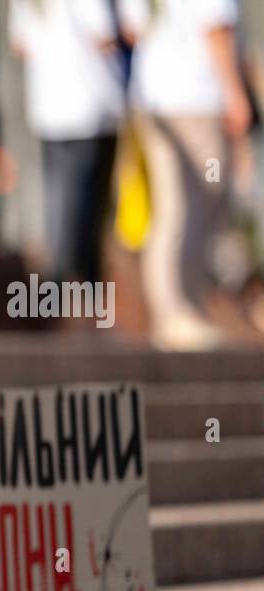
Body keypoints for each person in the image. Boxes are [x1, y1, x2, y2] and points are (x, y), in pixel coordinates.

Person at [118, 0, 253, 348]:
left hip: (154, 98)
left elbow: (132, 29)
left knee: (175, 205)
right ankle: (179, 310)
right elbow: (216, 26)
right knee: (203, 195)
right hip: (197, 99)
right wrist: (235, 91)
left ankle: (180, 309)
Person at [8, 0, 126, 286]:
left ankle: (59, 296)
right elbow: (103, 34)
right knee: (87, 214)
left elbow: (20, 45)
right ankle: (79, 297)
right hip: (90, 108)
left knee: (61, 206)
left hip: (50, 109)